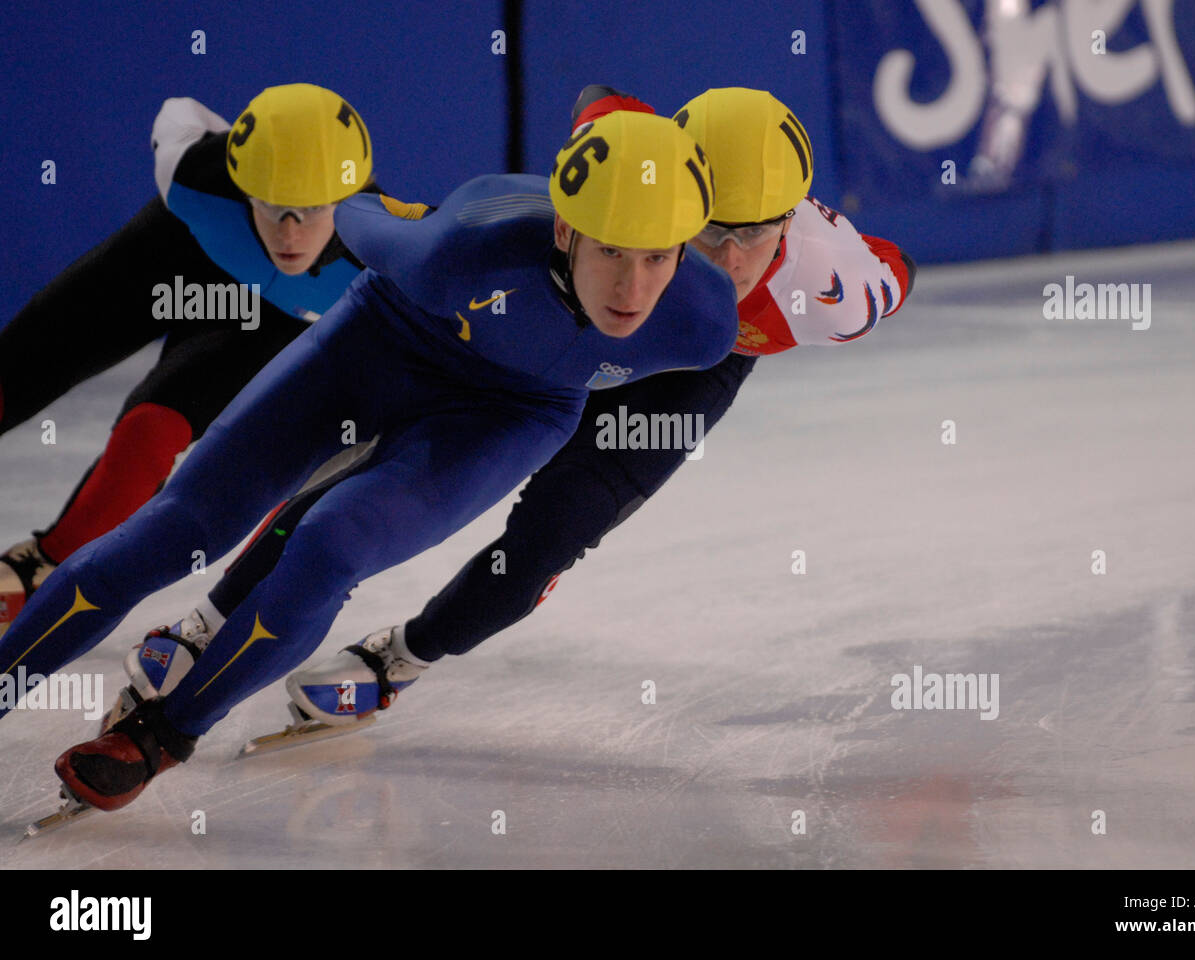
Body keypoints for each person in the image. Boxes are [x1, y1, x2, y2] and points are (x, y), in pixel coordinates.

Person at [111, 86, 916, 733]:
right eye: (706, 235)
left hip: (691, 364)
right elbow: (595, 106)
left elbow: (898, 273)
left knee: (553, 534)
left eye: (758, 237)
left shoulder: (835, 290)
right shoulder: (633, 169)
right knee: (369, 464)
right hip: (579, 315)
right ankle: (213, 617)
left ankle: (401, 660)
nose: (731, 261)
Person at [0, 109, 737, 813]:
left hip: (511, 413)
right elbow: (352, 207)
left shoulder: (701, 324)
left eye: (658, 256)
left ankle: (160, 738)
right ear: (568, 228)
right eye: (611, 250)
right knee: (180, 528)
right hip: (377, 346)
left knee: (332, 545)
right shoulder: (460, 249)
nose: (633, 288)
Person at [0, 83, 377, 638]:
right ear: (242, 183)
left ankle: (42, 565)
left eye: (312, 209)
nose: (290, 232)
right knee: (16, 372)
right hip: (167, 262)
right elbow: (178, 110)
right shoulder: (193, 171)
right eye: (272, 204)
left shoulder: (380, 246)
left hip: (254, 319)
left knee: (148, 436)